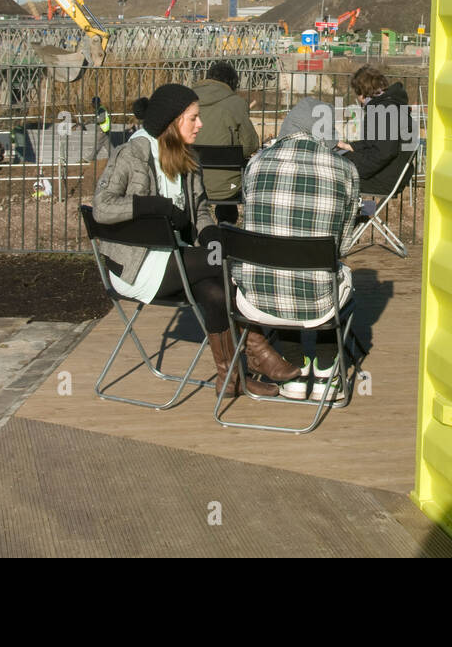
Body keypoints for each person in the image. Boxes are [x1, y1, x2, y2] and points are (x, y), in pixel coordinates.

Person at [92, 84, 300, 397]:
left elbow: (201, 208)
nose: (200, 124)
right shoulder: (132, 153)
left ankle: (231, 379)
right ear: (172, 121)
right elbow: (101, 206)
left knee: (216, 292)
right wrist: (151, 206)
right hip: (137, 264)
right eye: (193, 118)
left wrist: (209, 233)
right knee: (225, 264)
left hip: (177, 258)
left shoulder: (187, 157)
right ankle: (259, 351)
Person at [236, 97, 360, 402]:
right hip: (316, 301)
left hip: (256, 298)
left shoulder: (255, 164)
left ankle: (294, 366)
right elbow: (341, 246)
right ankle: (326, 370)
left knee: (280, 264)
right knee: (328, 274)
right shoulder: (345, 171)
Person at [191, 61, 260, 224]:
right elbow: (251, 145)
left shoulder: (186, 98)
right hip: (227, 188)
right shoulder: (235, 103)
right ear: (231, 83)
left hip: (191, 182)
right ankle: (227, 227)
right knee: (230, 177)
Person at [337, 66, 415, 195]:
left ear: (362, 93)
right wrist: (348, 146)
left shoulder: (384, 111)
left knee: (329, 175)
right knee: (336, 163)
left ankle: (349, 214)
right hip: (388, 173)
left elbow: (384, 153)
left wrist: (354, 170)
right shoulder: (389, 105)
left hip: (383, 180)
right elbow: (375, 142)